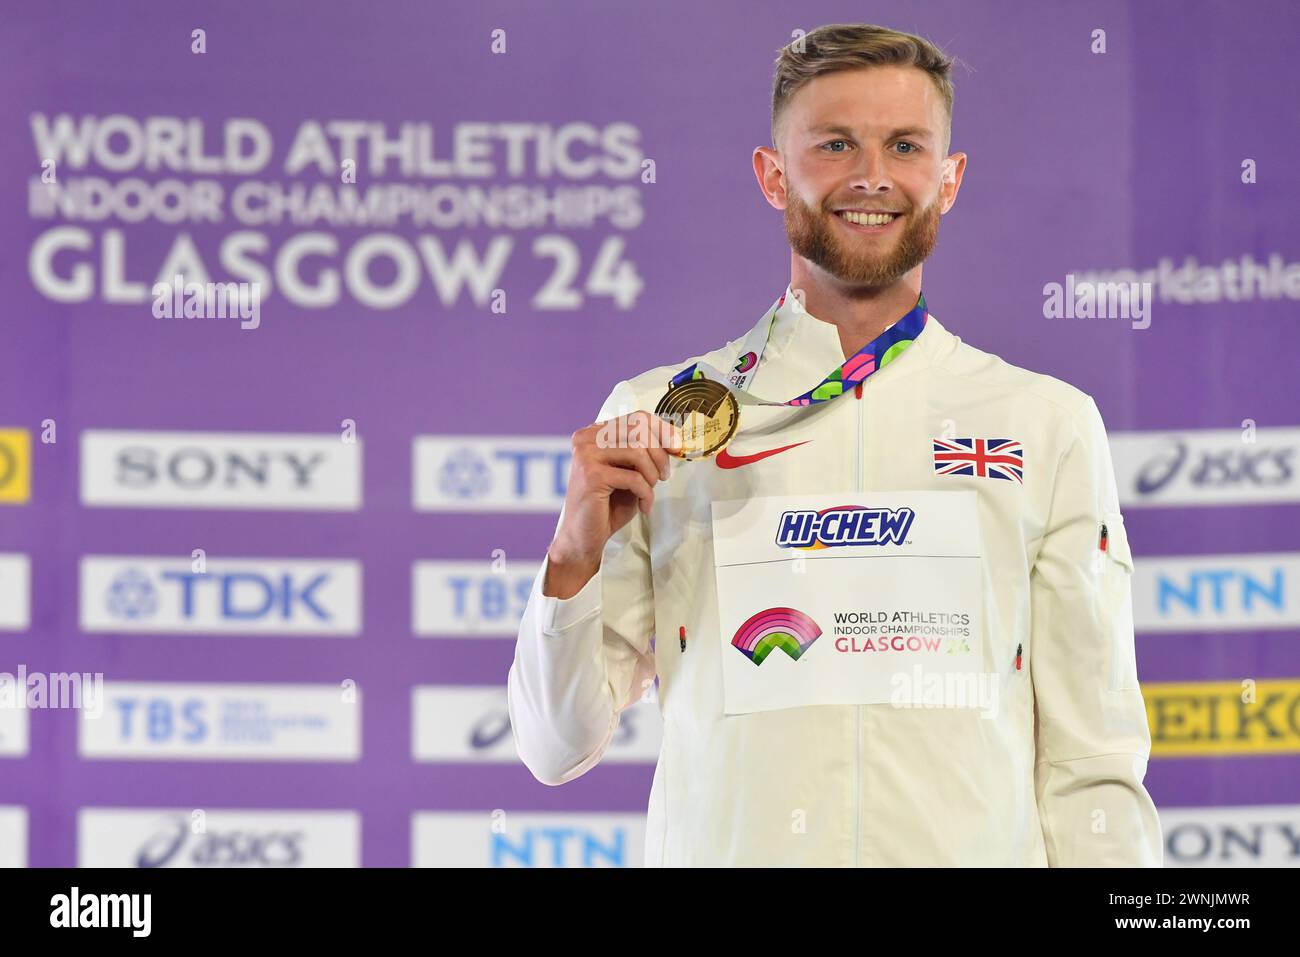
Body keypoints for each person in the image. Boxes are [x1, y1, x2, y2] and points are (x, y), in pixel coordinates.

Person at [507, 22, 1162, 867]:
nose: (872, 177)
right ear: (773, 176)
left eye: (905, 145)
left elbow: (1093, 761)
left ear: (949, 178)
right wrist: (573, 551)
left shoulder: (1046, 423)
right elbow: (555, 745)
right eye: (835, 144)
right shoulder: (660, 419)